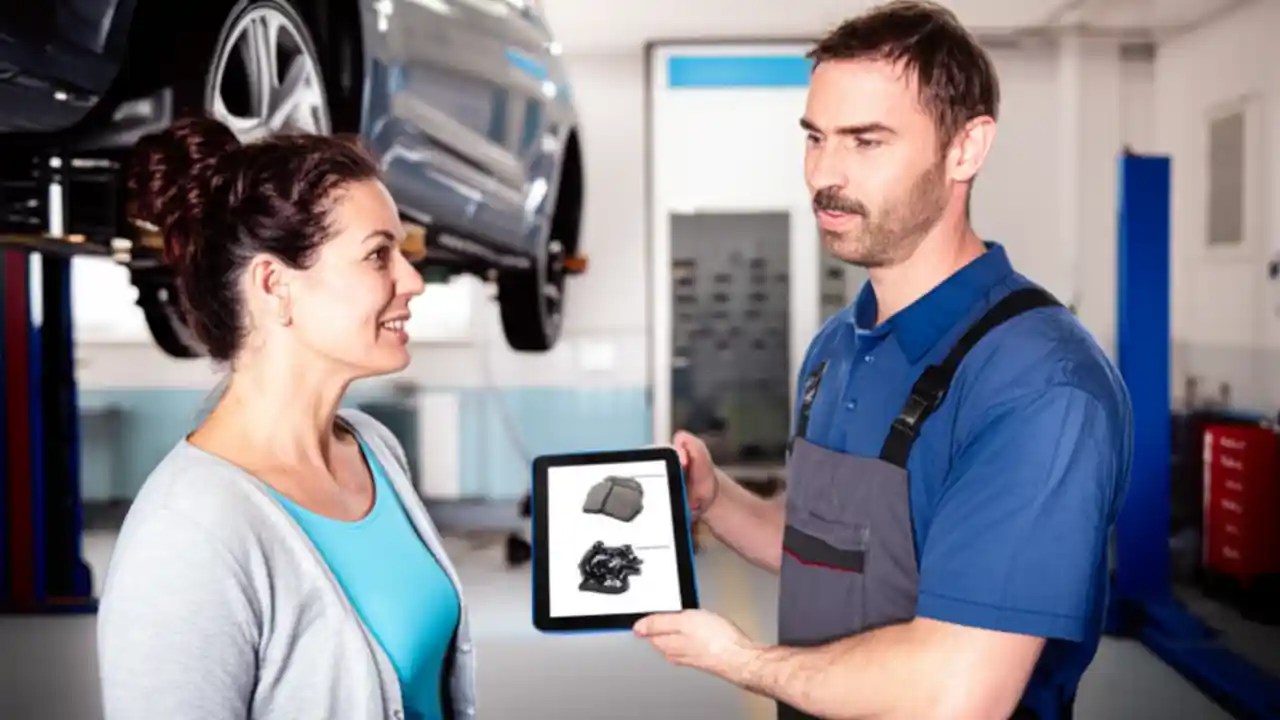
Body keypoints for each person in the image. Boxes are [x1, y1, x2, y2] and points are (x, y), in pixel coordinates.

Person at [633, 2, 1133, 719]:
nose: (825, 176)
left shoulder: (1039, 384)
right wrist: (713, 497)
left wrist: (740, 661)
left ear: (966, 148)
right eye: (815, 138)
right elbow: (828, 552)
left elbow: (957, 692)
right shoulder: (837, 347)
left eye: (866, 142)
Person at [96, 117, 477, 720]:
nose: (412, 281)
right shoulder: (189, 532)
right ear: (275, 285)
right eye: (379, 255)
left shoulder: (376, 451)